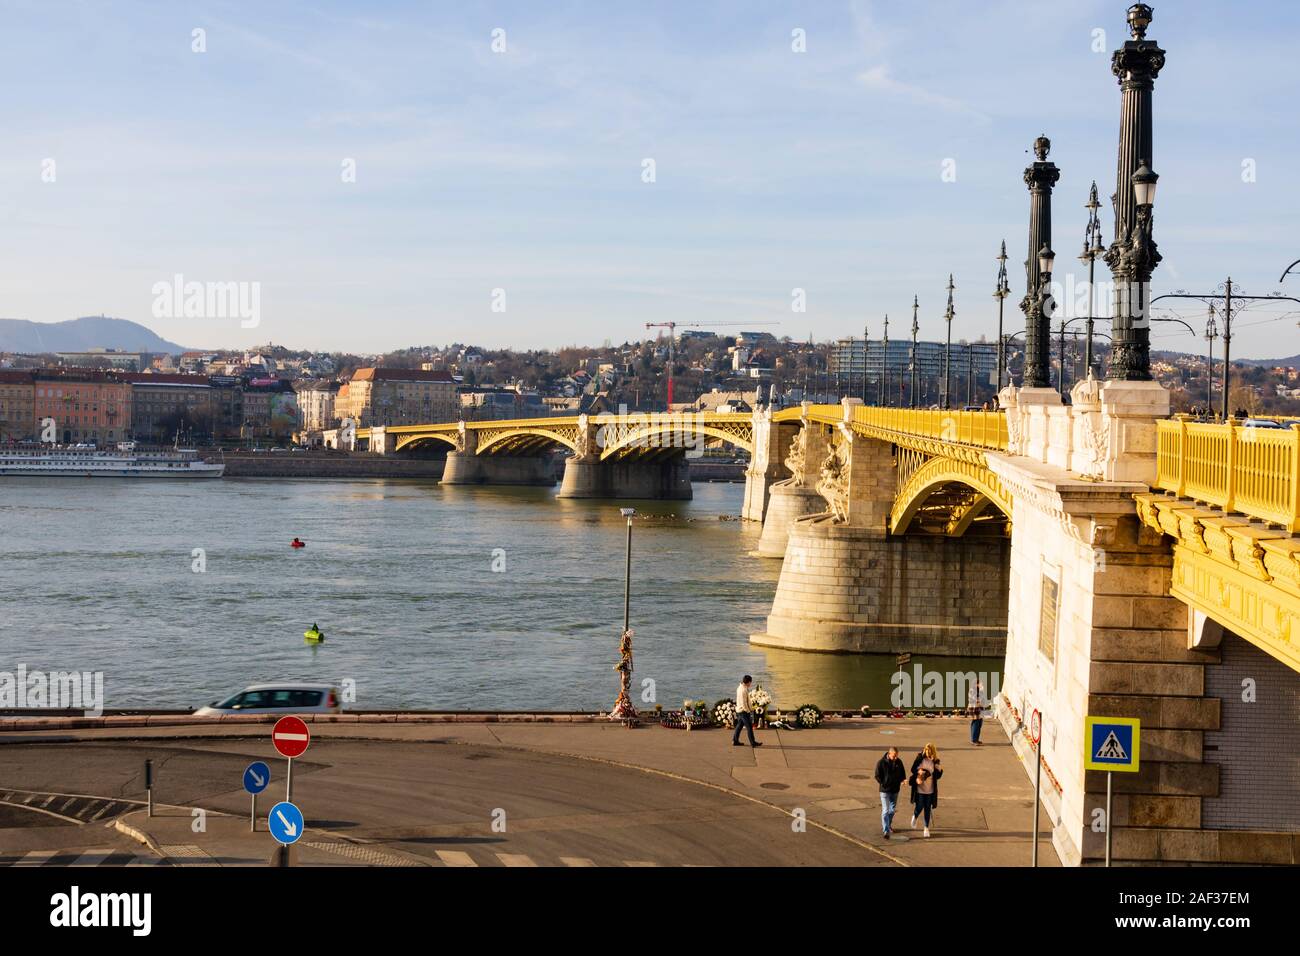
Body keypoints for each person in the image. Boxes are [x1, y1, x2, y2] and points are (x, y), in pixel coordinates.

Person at [909, 743, 942, 838]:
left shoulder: (936, 761)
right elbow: (912, 769)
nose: (928, 755)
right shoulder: (920, 758)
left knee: (928, 808)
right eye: (927, 753)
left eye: (930, 753)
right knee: (919, 806)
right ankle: (915, 816)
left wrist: (938, 768)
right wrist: (918, 771)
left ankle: (926, 828)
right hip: (920, 788)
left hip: (930, 789)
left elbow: (938, 776)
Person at [874, 746, 907, 838]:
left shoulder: (899, 762)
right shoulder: (881, 763)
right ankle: (886, 831)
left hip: (895, 789)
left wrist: (903, 780)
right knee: (885, 810)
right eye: (894, 756)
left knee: (892, 810)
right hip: (885, 791)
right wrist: (883, 783)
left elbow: (902, 773)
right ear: (889, 754)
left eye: (897, 756)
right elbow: (877, 775)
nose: (896, 758)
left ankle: (888, 825)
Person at [731, 675, 762, 748]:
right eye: (750, 682)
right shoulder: (743, 690)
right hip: (743, 711)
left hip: (740, 710)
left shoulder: (741, 687)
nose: (750, 684)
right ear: (748, 682)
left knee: (739, 726)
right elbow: (743, 703)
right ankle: (753, 743)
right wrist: (749, 711)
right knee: (749, 727)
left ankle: (735, 740)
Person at [968, 679, 986, 746]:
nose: (981, 685)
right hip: (974, 708)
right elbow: (977, 699)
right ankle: (974, 740)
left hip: (979, 708)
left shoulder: (978, 690)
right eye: (980, 684)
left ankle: (976, 739)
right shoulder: (972, 690)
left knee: (979, 723)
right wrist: (981, 690)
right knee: (976, 723)